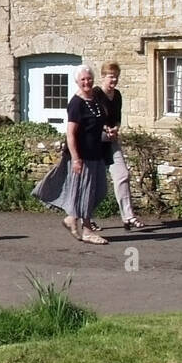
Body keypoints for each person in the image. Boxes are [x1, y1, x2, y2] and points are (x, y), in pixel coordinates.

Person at [32, 63, 109, 245]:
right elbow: (71, 133)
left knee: (99, 191)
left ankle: (71, 218)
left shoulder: (95, 99)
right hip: (83, 155)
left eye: (89, 78)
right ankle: (88, 230)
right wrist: (75, 158)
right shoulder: (76, 104)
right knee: (86, 193)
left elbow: (97, 125)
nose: (86, 82)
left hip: (96, 153)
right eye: (83, 79)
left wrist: (108, 133)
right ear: (77, 81)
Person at [98, 61, 144, 230]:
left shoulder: (117, 95)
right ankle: (86, 219)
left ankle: (128, 216)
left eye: (116, 77)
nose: (114, 80)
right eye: (111, 76)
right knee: (95, 182)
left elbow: (117, 117)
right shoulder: (96, 94)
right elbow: (94, 118)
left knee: (122, 175)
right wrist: (105, 128)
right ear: (103, 76)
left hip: (111, 140)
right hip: (96, 142)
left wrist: (115, 128)